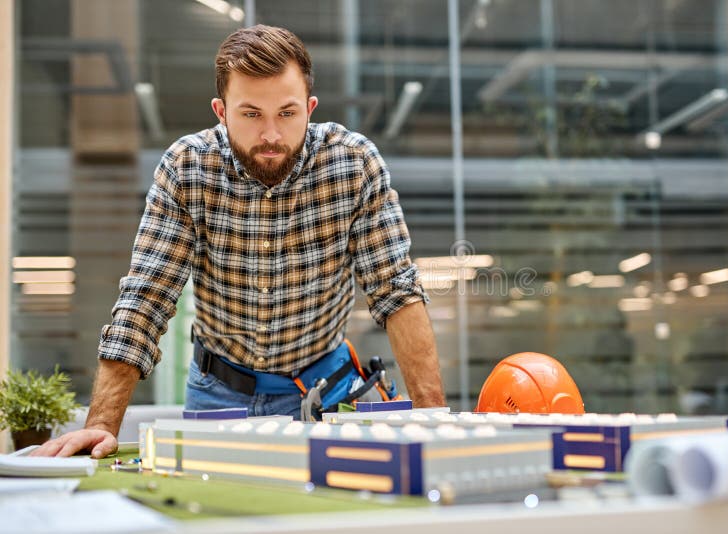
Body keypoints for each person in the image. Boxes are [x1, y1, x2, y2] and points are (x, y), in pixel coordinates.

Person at [34, 25, 445, 458]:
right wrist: (100, 426)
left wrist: (434, 417)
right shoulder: (187, 169)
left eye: (287, 114)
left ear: (310, 107)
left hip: (327, 387)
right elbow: (146, 299)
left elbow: (396, 292)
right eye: (251, 114)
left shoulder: (353, 164)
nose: (271, 135)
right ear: (221, 111)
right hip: (218, 392)